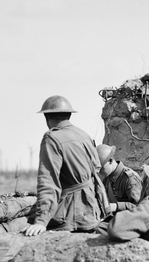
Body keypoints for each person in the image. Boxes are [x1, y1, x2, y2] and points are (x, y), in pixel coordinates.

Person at [23, 95, 108, 237]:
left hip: (71, 217)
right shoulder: (84, 135)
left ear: (46, 117)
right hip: (91, 211)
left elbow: (48, 182)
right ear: (69, 115)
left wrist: (41, 220)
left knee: (18, 224)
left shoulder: (52, 138)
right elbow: (97, 168)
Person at [96, 143, 142, 214]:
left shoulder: (130, 179)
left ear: (110, 160)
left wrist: (116, 206)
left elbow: (140, 208)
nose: (99, 171)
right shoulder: (107, 179)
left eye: (101, 167)